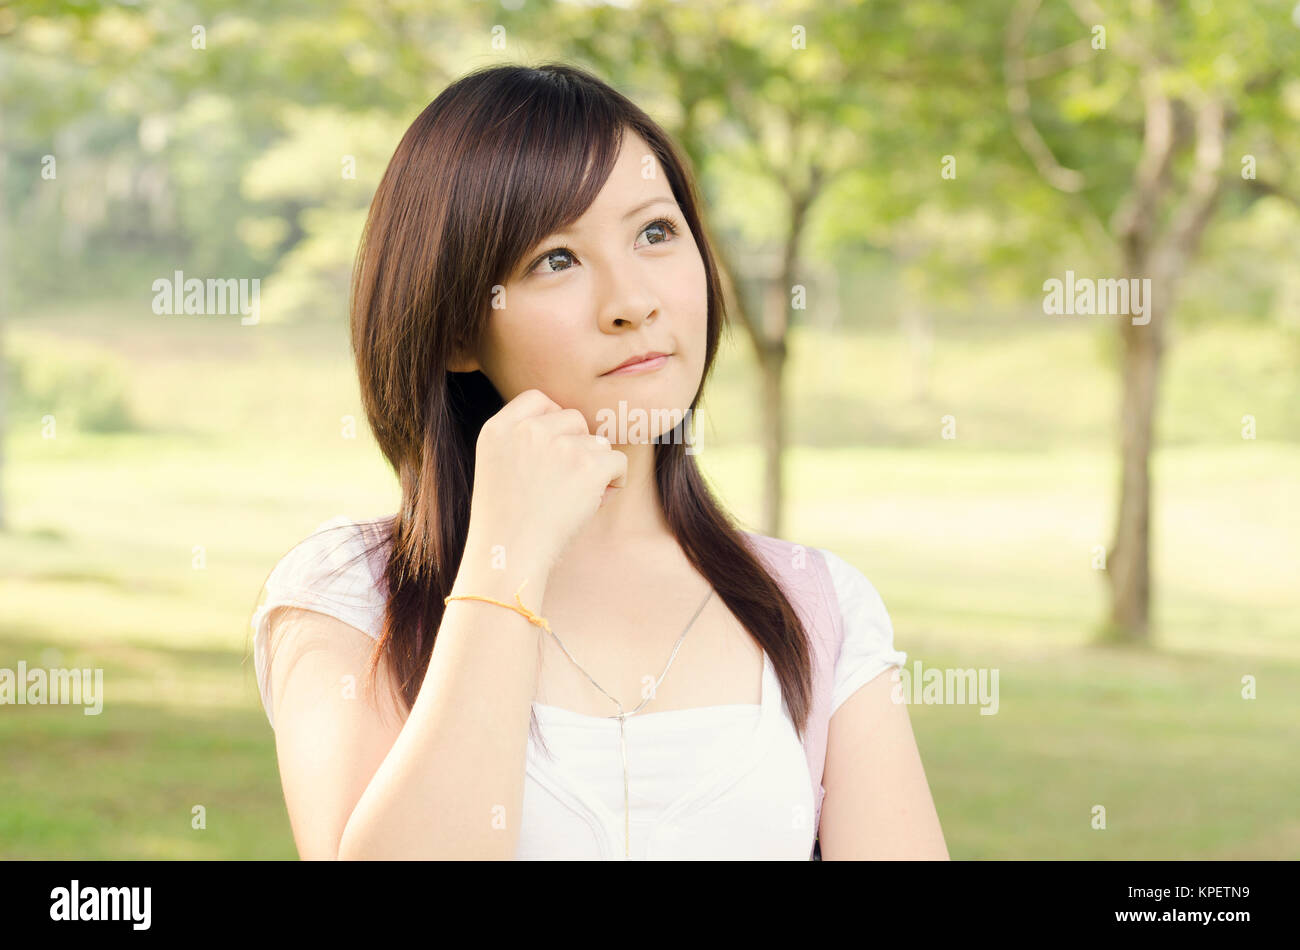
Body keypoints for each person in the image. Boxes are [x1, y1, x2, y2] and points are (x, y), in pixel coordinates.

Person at [248, 62, 949, 861]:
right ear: (454, 329)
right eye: (556, 258)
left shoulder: (816, 609)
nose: (631, 301)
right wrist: (505, 558)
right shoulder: (350, 599)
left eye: (656, 232)